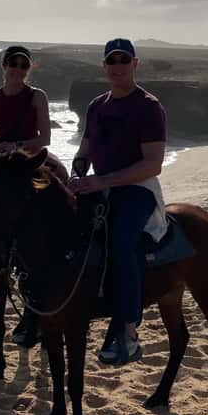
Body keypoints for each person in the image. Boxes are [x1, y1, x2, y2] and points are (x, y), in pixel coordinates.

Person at [69, 38, 167, 366]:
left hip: (138, 191)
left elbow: (152, 164)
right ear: (104, 66)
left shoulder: (149, 107)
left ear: (135, 64)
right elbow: (84, 150)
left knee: (122, 243)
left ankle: (127, 330)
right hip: (99, 186)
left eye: (124, 60)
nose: (118, 66)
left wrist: (102, 180)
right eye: (112, 61)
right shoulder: (97, 105)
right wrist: (79, 170)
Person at [0, 45, 66, 347]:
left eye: (23, 65)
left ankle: (59, 241)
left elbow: (45, 138)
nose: (17, 69)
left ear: (28, 68)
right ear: (4, 66)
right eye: (12, 64)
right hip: (3, 156)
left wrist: (17, 146)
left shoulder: (36, 96)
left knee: (61, 178)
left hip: (29, 156)